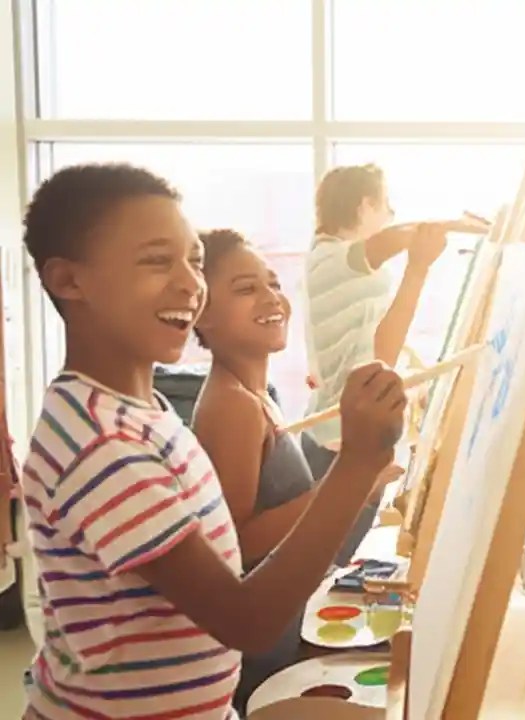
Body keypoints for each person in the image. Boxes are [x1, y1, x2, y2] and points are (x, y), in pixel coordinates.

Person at [18, 163, 406, 719]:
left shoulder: (140, 410)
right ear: (69, 281)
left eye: (193, 262)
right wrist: (357, 468)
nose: (188, 283)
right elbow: (244, 620)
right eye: (157, 261)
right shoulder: (100, 441)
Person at [190, 229, 396, 712]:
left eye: (272, 282)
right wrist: (350, 481)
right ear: (203, 313)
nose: (271, 298)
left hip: (296, 612)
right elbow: (236, 544)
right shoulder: (232, 406)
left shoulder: (260, 397)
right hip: (273, 638)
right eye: (245, 289)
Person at [304, 163, 485, 478]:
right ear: (365, 205)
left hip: (339, 432)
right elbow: (397, 238)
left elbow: (378, 342)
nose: (392, 213)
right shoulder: (334, 257)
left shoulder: (334, 260)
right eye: (386, 205)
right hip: (338, 437)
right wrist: (437, 244)